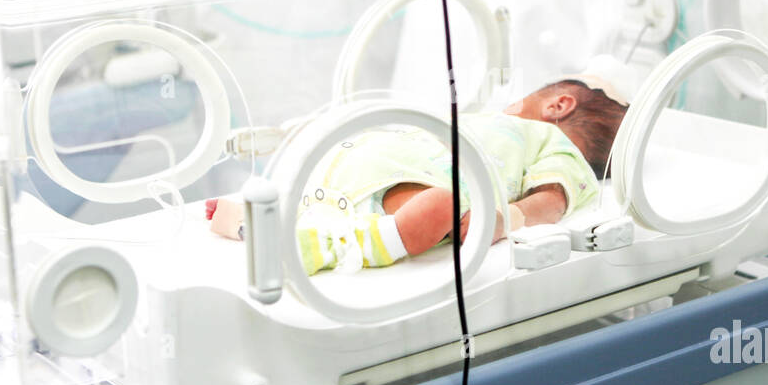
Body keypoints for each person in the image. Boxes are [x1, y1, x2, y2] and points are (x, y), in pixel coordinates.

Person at [209, 76, 630, 275]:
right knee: (422, 203)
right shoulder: (484, 120)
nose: (512, 104)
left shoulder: (550, 141)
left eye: (525, 97)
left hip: (390, 175)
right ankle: (276, 225)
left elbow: (553, 199)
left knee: (437, 208)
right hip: (374, 159)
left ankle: (270, 231)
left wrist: (503, 220)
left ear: (559, 106)